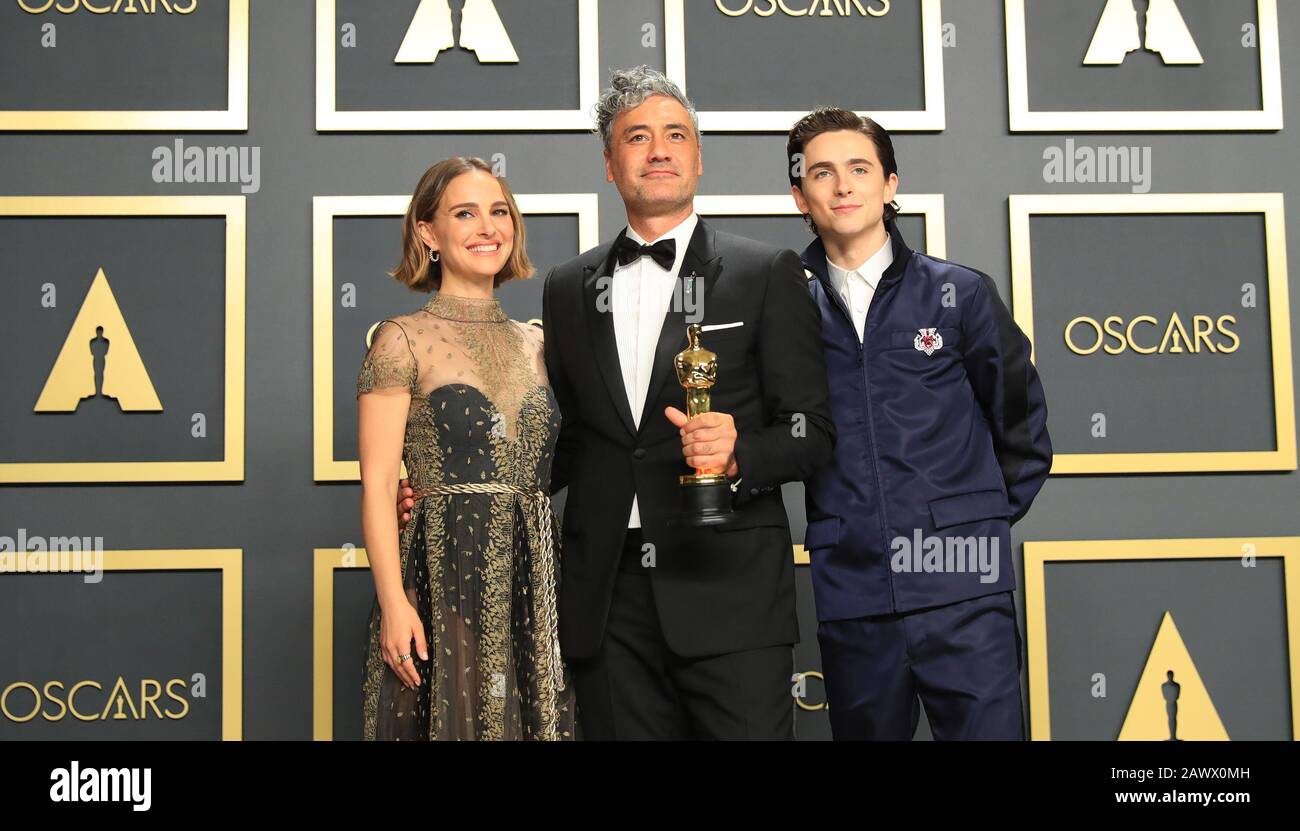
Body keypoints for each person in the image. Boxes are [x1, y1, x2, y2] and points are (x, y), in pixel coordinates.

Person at [401, 67, 836, 738]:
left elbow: (813, 433)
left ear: (697, 155)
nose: (658, 149)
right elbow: (566, 441)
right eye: (637, 137)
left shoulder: (765, 271)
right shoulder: (568, 286)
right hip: (605, 599)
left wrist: (740, 450)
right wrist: (458, 487)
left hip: (728, 592)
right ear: (610, 163)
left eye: (675, 135)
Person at [788, 108, 1052, 740]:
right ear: (799, 196)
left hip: (966, 590)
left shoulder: (959, 293)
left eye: (859, 168)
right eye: (822, 173)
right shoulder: (785, 309)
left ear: (891, 184)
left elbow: (1022, 426)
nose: (843, 186)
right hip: (852, 593)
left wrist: (970, 520)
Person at [357, 156, 574, 740]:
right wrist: (393, 602)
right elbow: (378, 483)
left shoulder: (541, 343)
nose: (487, 228)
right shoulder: (400, 339)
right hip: (440, 571)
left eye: (499, 211)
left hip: (537, 570)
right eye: (465, 213)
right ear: (427, 232)